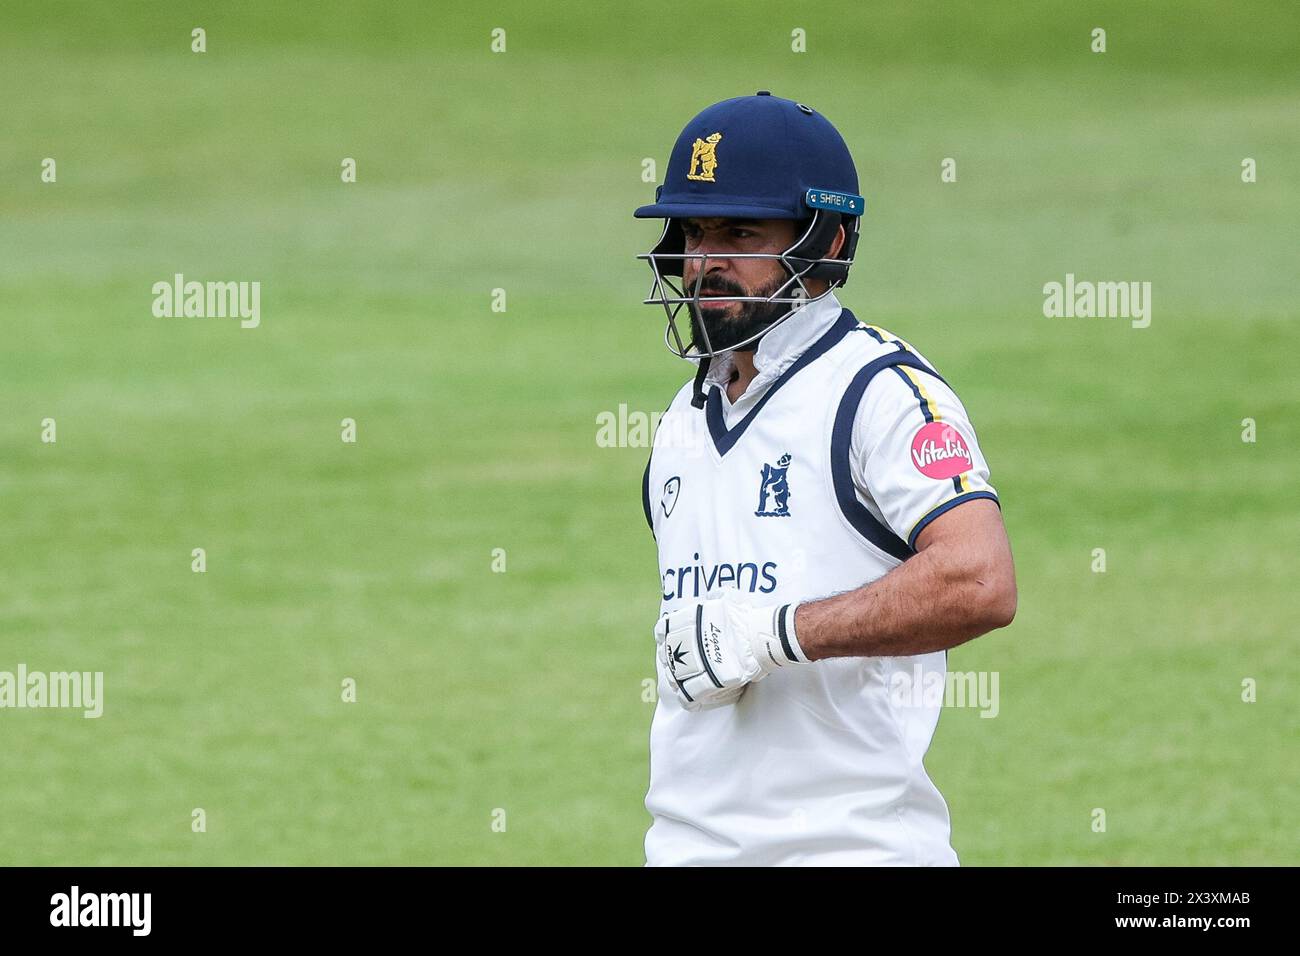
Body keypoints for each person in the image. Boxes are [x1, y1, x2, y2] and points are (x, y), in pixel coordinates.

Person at [634, 92, 1017, 866]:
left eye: (741, 231)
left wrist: (776, 635)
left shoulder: (878, 392)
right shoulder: (684, 416)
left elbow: (979, 581)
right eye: (695, 231)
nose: (707, 259)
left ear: (826, 240)